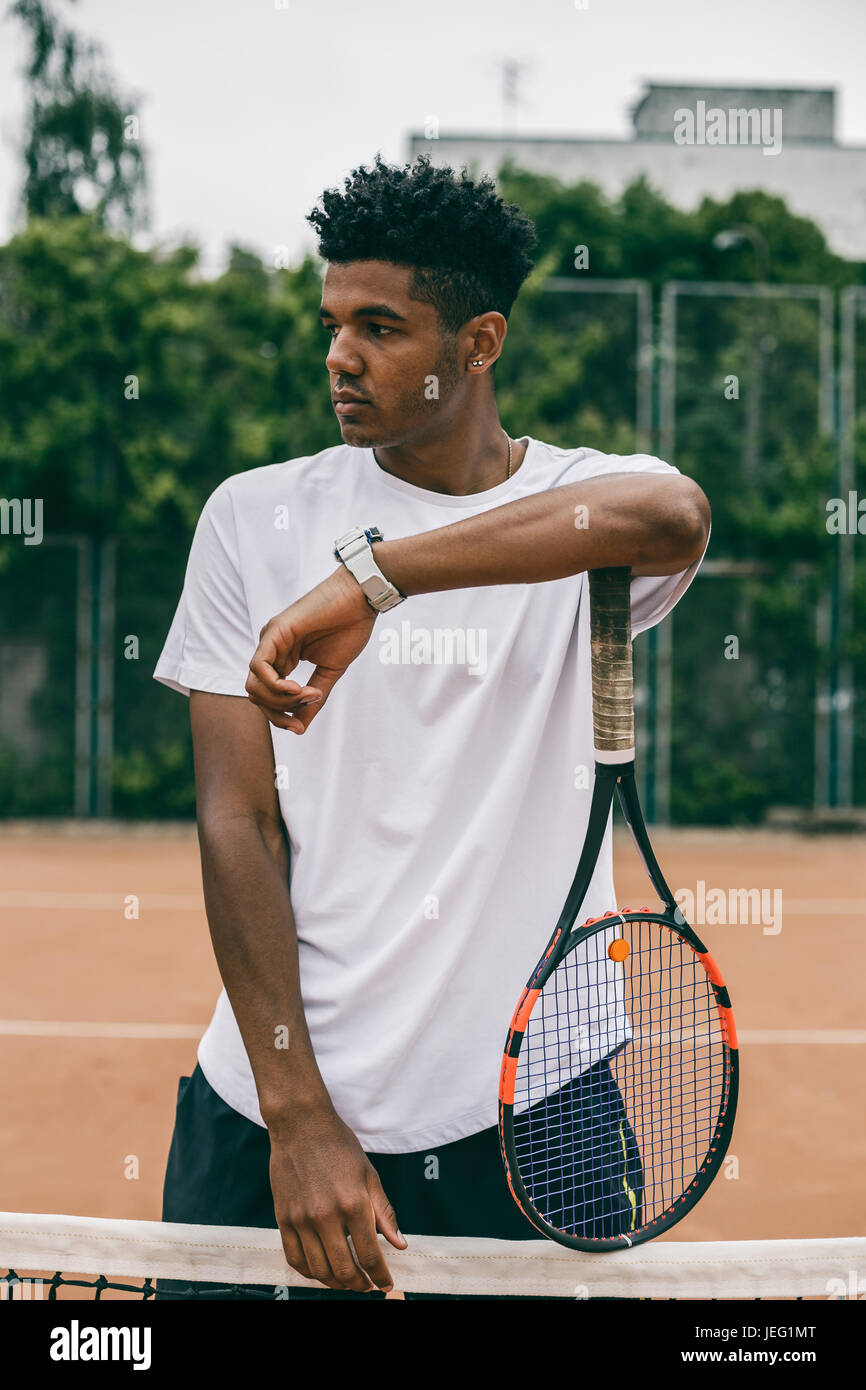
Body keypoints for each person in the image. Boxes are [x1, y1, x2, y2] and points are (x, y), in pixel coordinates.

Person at [153, 154, 710, 1300]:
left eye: (379, 326)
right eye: (329, 322)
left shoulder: (583, 503)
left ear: (479, 343)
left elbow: (672, 512)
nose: (337, 356)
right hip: (270, 1105)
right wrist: (296, 1112)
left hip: (536, 1110)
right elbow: (234, 823)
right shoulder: (252, 517)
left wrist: (370, 583)